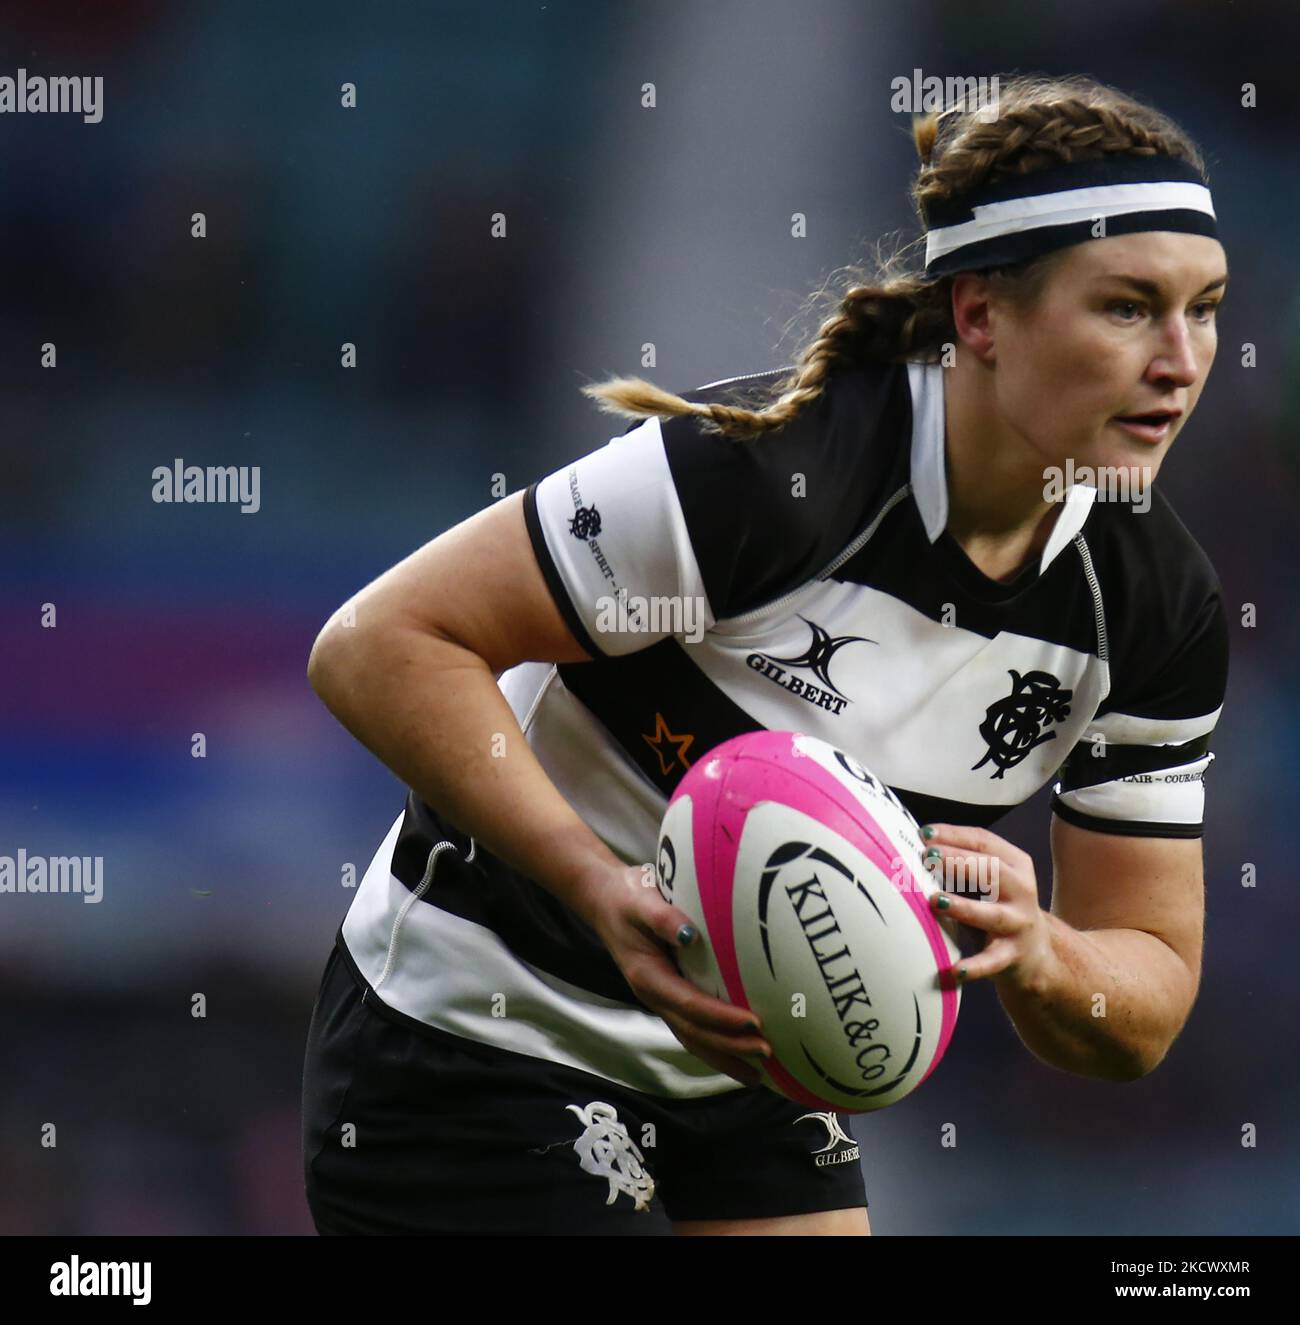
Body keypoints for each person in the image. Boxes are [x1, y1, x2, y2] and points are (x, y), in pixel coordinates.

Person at [301, 73, 1229, 1236]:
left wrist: (1038, 949)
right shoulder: (768, 475)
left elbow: (1143, 993)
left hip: (750, 1062)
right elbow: (379, 641)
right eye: (1129, 307)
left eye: (1205, 309)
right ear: (982, 315)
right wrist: (597, 888)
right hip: (479, 1030)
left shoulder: (1156, 607)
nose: (1182, 359)